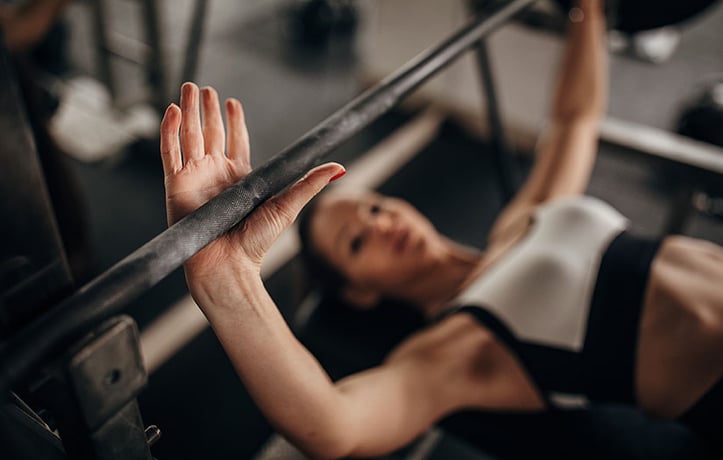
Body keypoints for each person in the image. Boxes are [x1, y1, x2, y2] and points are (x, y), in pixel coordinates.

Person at [159, 1, 723, 458]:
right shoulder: (458, 350)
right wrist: (229, 281)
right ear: (360, 292)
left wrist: (588, 10)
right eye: (358, 243)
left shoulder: (525, 220)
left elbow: (575, 119)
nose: (383, 226)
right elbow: (335, 426)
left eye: (376, 208)